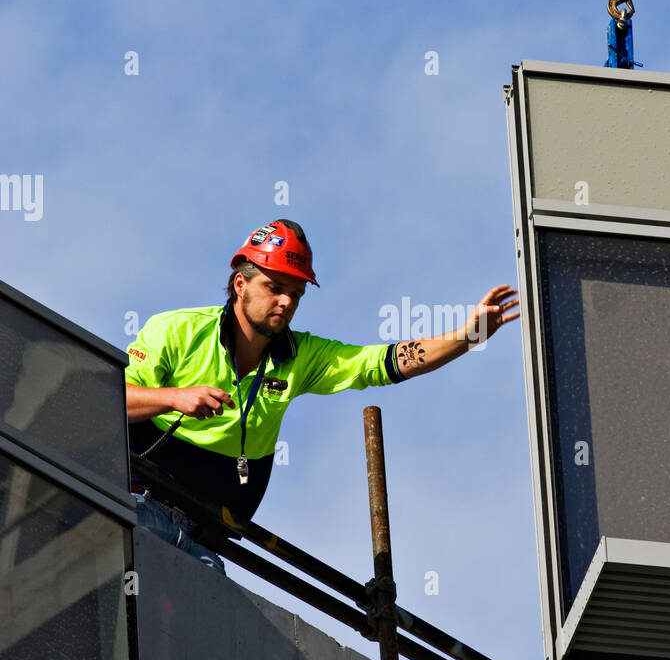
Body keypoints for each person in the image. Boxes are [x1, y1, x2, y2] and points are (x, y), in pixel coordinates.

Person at [125, 219, 519, 571]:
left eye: (295, 295)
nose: (285, 302)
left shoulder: (302, 356)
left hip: (201, 540)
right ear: (240, 283)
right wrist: (174, 398)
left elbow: (380, 362)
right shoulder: (175, 331)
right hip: (137, 505)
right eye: (274, 288)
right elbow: (112, 397)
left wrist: (467, 338)